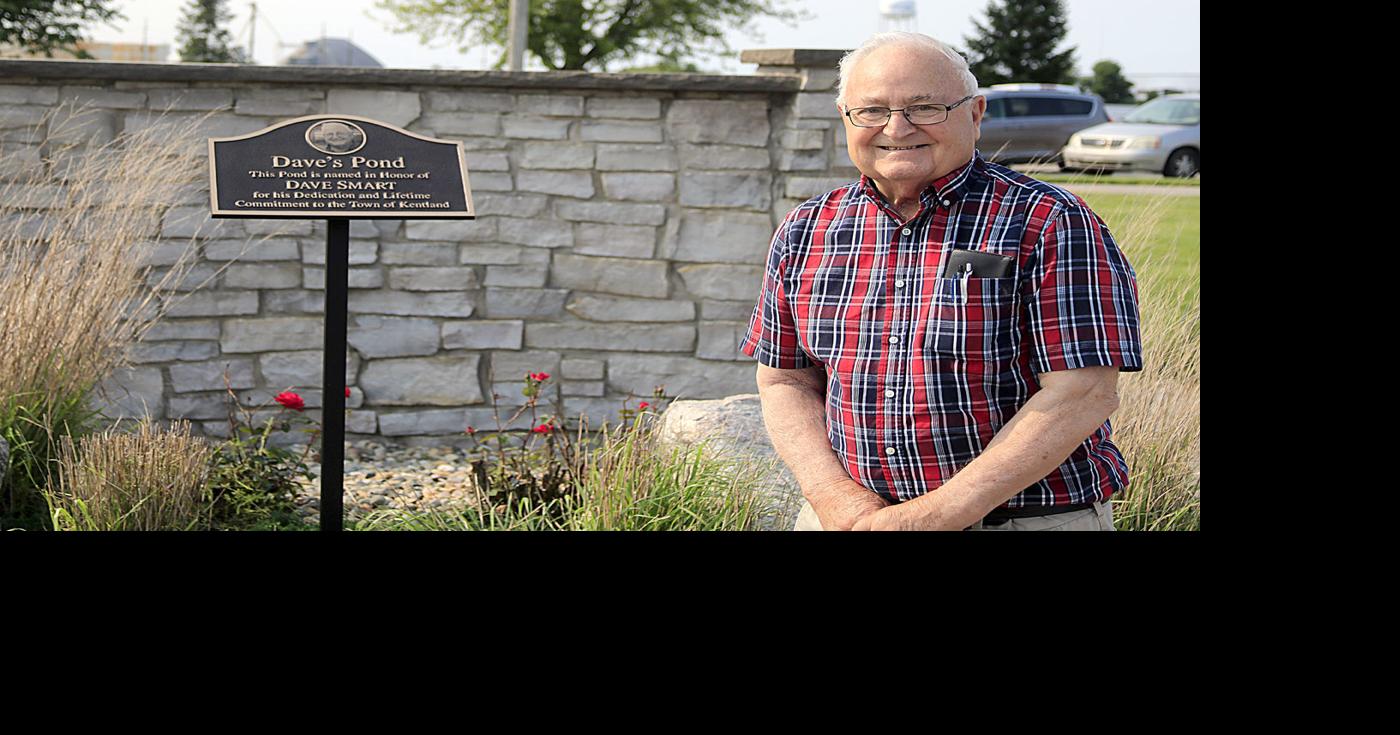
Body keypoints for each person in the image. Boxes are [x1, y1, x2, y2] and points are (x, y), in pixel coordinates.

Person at [740, 32, 1143, 531]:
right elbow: (784, 379)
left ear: (975, 114)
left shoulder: (1050, 221)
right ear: (845, 116)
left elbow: (1083, 392)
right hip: (846, 520)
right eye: (871, 111)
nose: (897, 127)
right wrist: (834, 497)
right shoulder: (807, 229)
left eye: (925, 107)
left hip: (1022, 520)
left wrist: (934, 516)